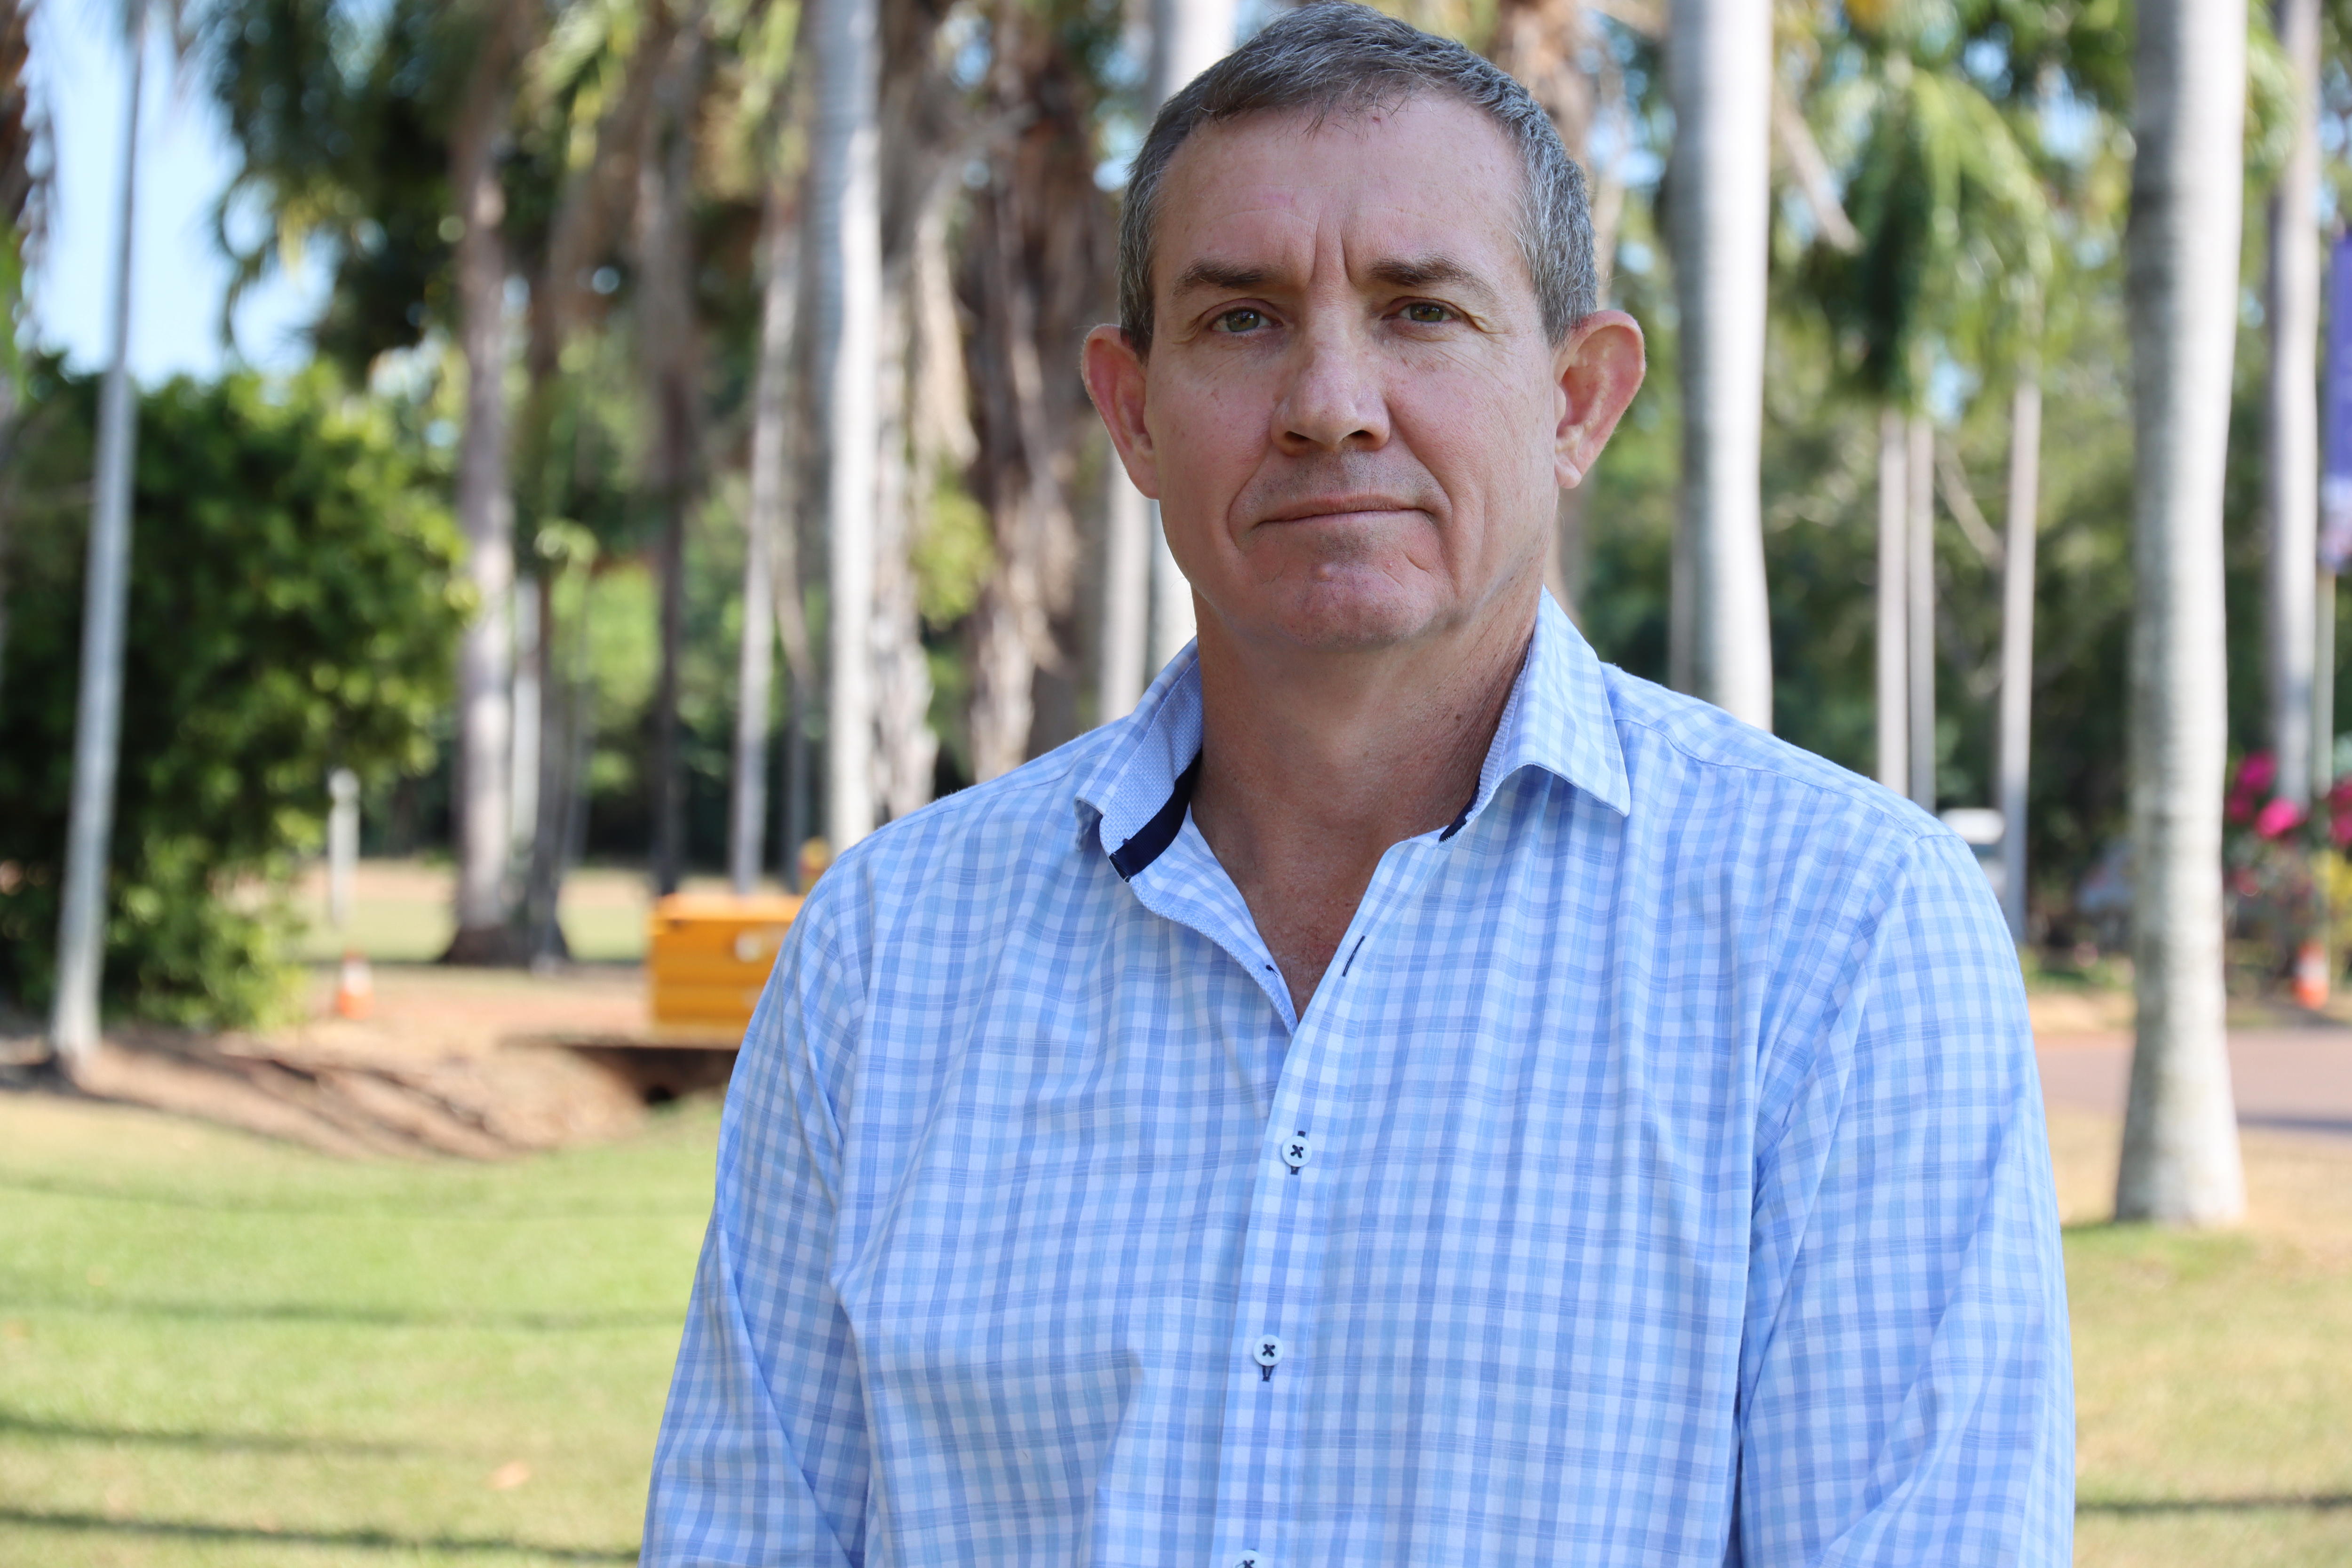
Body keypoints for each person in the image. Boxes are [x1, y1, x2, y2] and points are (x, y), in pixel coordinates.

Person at [641, 5, 2073, 1563]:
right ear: (1131, 410)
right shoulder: (884, 955)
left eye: (1422, 311)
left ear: (1580, 399)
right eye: (1242, 319)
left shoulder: (1842, 933)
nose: (1331, 401)